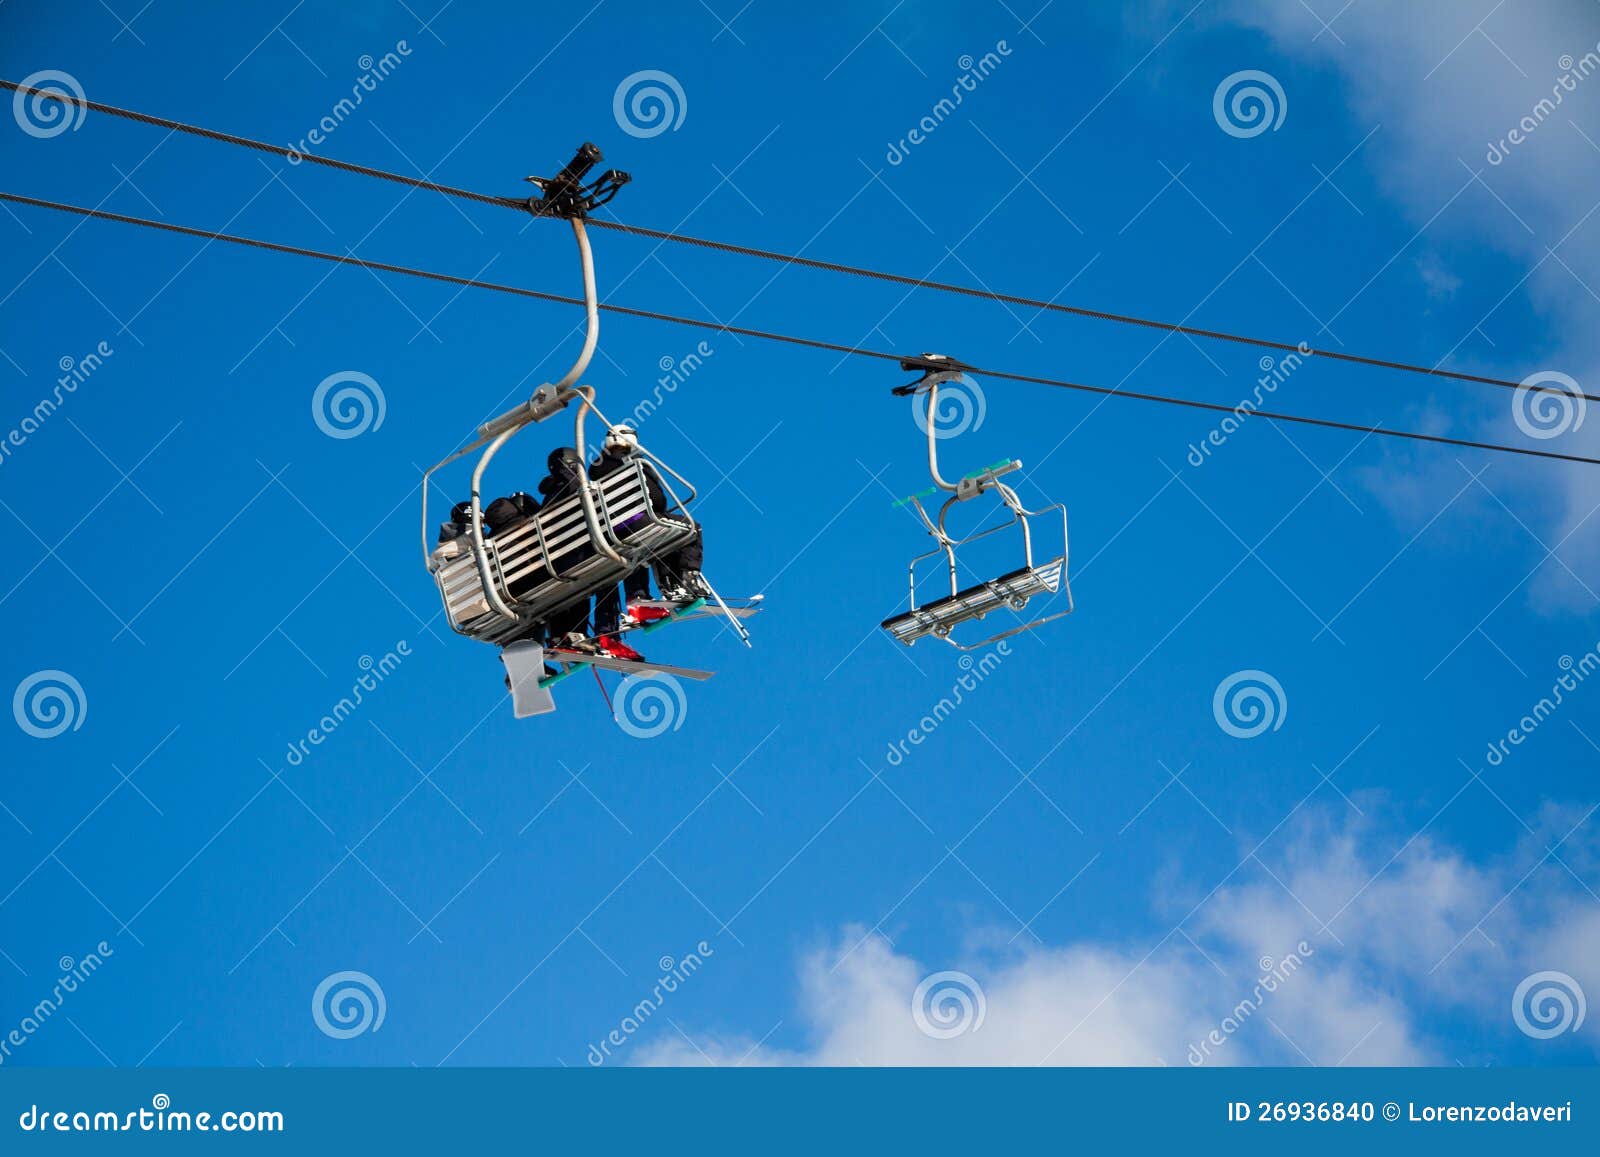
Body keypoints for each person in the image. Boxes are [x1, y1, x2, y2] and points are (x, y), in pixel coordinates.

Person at [589, 424, 712, 661]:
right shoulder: (635, 465)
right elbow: (658, 500)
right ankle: (683, 580)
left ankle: (638, 602)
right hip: (635, 523)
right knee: (687, 528)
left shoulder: (593, 472)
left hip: (606, 534)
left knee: (636, 550)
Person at [533, 447, 598, 654]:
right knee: (587, 586)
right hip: (577, 556)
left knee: (561, 594)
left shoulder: (549, 496)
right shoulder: (573, 486)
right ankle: (577, 634)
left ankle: (558, 635)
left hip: (553, 564)